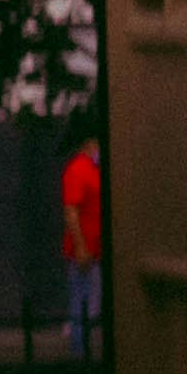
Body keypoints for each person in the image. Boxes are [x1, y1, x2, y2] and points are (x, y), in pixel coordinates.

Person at [61, 135, 104, 356]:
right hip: (86, 254)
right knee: (84, 306)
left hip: (95, 251)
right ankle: (81, 356)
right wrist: (80, 247)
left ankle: (84, 353)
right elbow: (71, 211)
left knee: (90, 305)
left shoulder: (94, 170)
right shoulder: (78, 170)